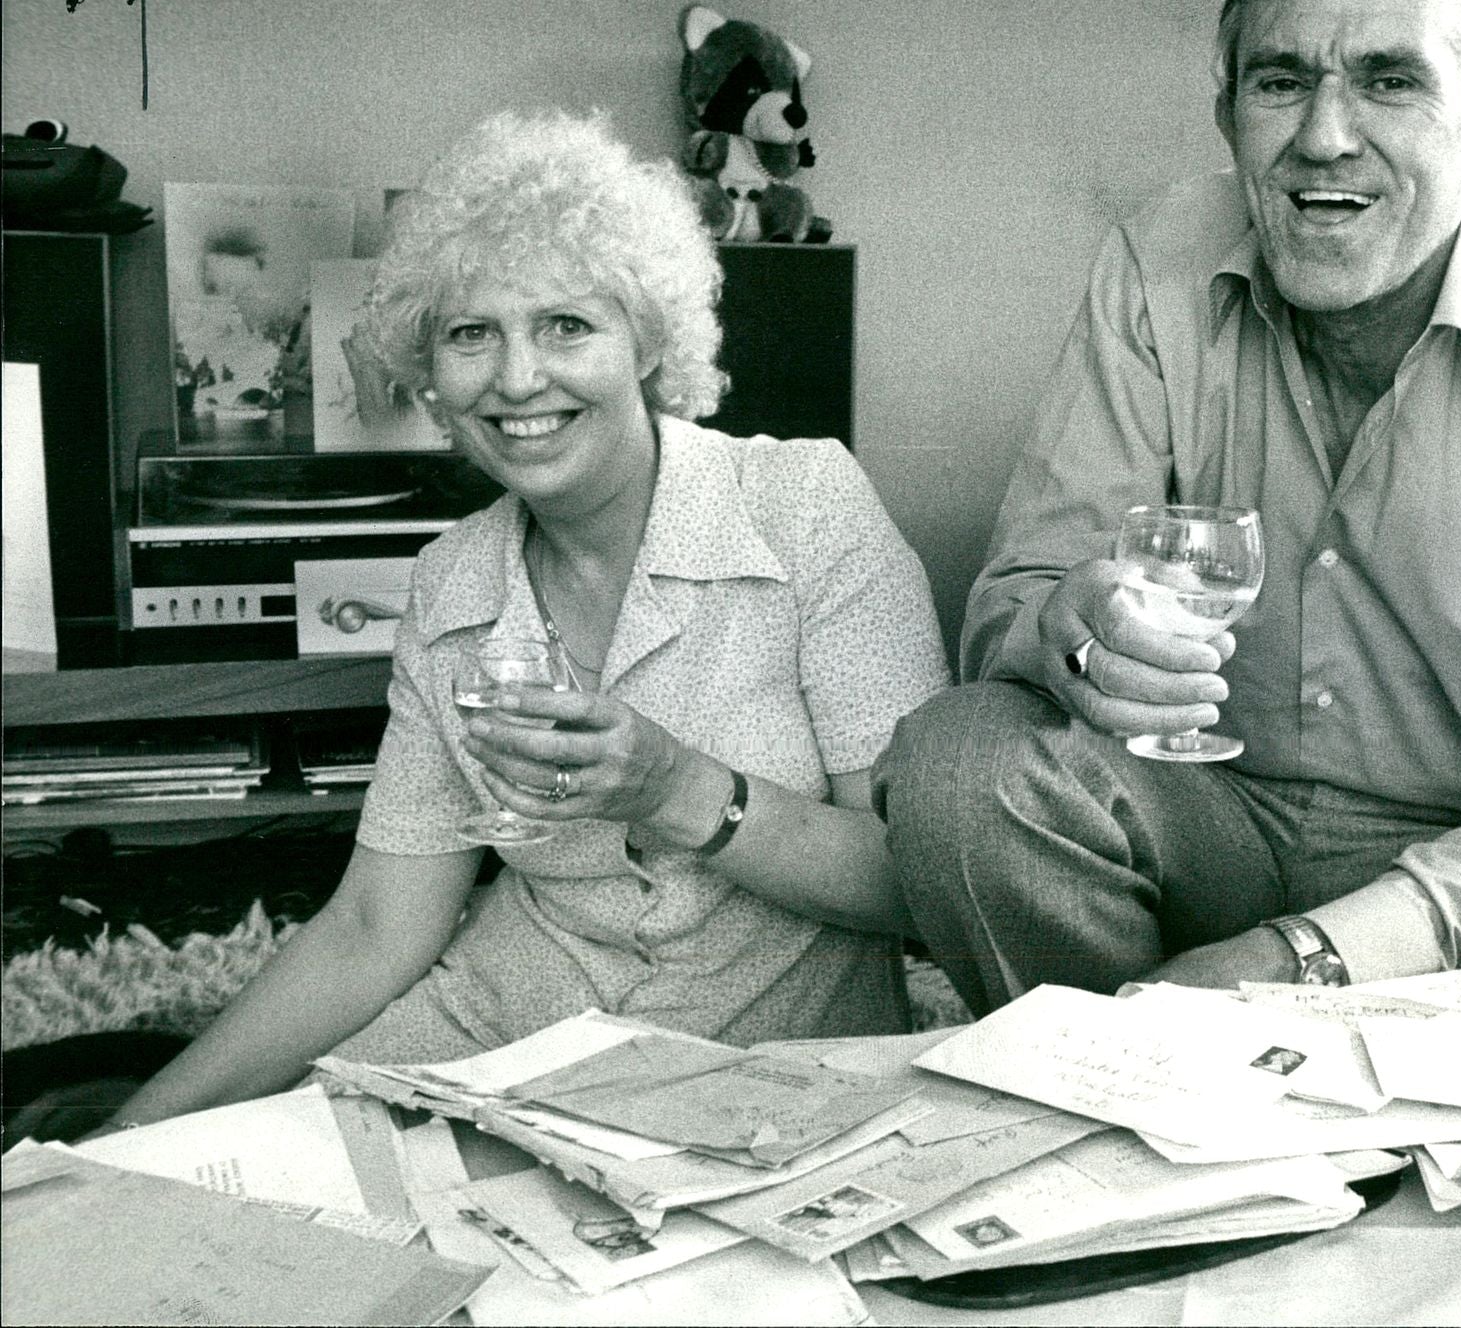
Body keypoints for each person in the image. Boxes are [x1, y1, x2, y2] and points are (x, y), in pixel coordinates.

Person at [875, 0, 1461, 1015]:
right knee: (957, 765)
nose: (1322, 135)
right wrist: (1069, 639)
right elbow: (1012, 609)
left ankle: (1225, 1082)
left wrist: (1293, 959)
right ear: (1228, 117)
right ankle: (1115, 1099)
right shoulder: (1155, 263)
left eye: (1387, 81)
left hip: (1449, 874)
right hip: (1192, 815)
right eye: (1279, 81)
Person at [108, 110, 948, 1128]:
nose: (515, 380)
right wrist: (120, 1140)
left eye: (566, 325)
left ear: (645, 338)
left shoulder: (807, 507)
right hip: (500, 1042)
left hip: (770, 1079)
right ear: (431, 371)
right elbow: (377, 924)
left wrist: (676, 787)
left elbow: (918, 887)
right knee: (253, 1204)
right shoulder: (449, 582)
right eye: (471, 334)